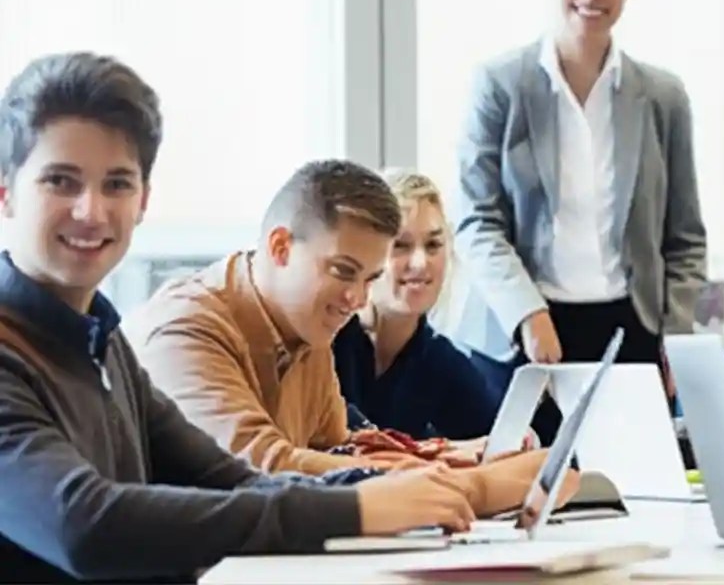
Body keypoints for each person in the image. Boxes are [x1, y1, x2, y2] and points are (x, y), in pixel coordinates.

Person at [0, 53, 533, 582]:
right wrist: (367, 506)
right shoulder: (44, 348)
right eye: (60, 181)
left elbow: (230, 480)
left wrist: (409, 489)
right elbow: (87, 525)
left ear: (142, 201)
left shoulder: (103, 344)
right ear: (7, 194)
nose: (91, 211)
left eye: (117, 184)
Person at [127, 159, 547, 488]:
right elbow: (260, 466)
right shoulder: (187, 327)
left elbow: (342, 447)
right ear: (280, 246)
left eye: (370, 278)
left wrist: (445, 459)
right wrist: (446, 481)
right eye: (344, 271)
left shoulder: (306, 327)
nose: (358, 299)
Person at [453, 0, 706, 373]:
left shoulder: (664, 96)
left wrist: (678, 330)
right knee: (526, 451)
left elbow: (685, 237)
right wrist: (526, 311)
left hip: (632, 329)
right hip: (523, 331)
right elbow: (475, 221)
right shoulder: (499, 84)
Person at [332, 168, 500, 442]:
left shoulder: (439, 358)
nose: (421, 263)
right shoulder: (325, 341)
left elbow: (499, 437)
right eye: (400, 245)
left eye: (433, 245)